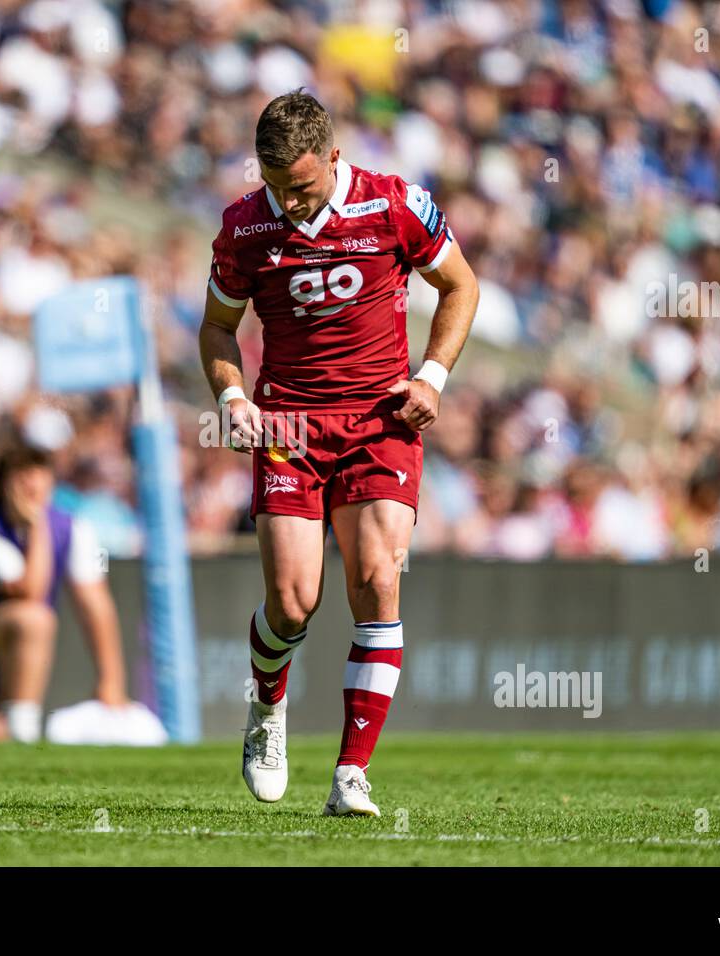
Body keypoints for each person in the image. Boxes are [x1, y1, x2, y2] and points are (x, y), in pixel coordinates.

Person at [199, 90, 480, 815]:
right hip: (289, 425)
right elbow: (217, 330)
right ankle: (267, 707)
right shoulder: (244, 227)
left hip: (380, 418)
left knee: (377, 580)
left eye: (302, 186)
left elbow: (459, 285)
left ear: (333, 156)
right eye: (276, 187)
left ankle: (351, 774)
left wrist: (434, 375)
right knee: (293, 604)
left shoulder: (394, 206)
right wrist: (233, 399)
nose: (290, 202)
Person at [0, 444, 130, 741]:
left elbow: (94, 602)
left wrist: (112, 680)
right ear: (3, 484)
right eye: (21, 475)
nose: (32, 484)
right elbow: (30, 592)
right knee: (33, 619)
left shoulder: (73, 527)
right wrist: (37, 524)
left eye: (40, 474)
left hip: (13, 637)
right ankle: (26, 732)